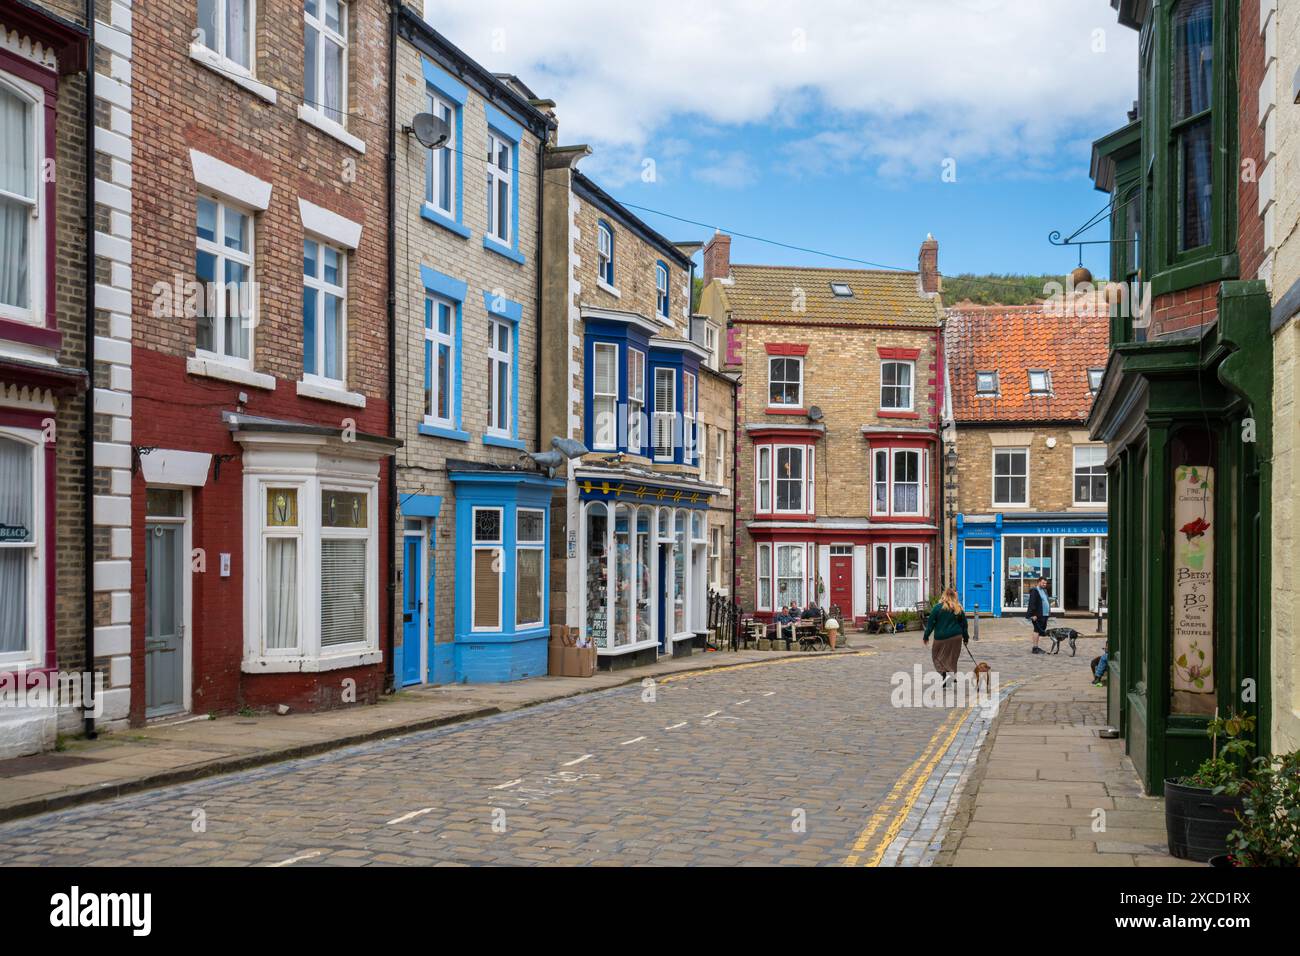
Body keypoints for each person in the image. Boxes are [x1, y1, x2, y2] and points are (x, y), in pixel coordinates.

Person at [923, 587, 969, 685]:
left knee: (936, 656)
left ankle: (944, 675)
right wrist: (966, 638)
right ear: (953, 596)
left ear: (943, 596)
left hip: (941, 637)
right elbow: (964, 625)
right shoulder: (958, 608)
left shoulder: (937, 608)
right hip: (956, 637)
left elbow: (930, 624)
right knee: (952, 657)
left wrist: (926, 636)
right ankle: (951, 675)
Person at [1025, 576, 1051, 655]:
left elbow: (1046, 601)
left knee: (1040, 630)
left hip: (1044, 614)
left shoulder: (1044, 590)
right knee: (1036, 630)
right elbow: (1032, 603)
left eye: (1045, 583)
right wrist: (1033, 614)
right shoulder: (1035, 591)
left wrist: (1049, 610)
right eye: (1043, 583)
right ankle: (1035, 648)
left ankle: (1036, 646)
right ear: (1038, 582)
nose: (1044, 584)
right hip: (1037, 615)